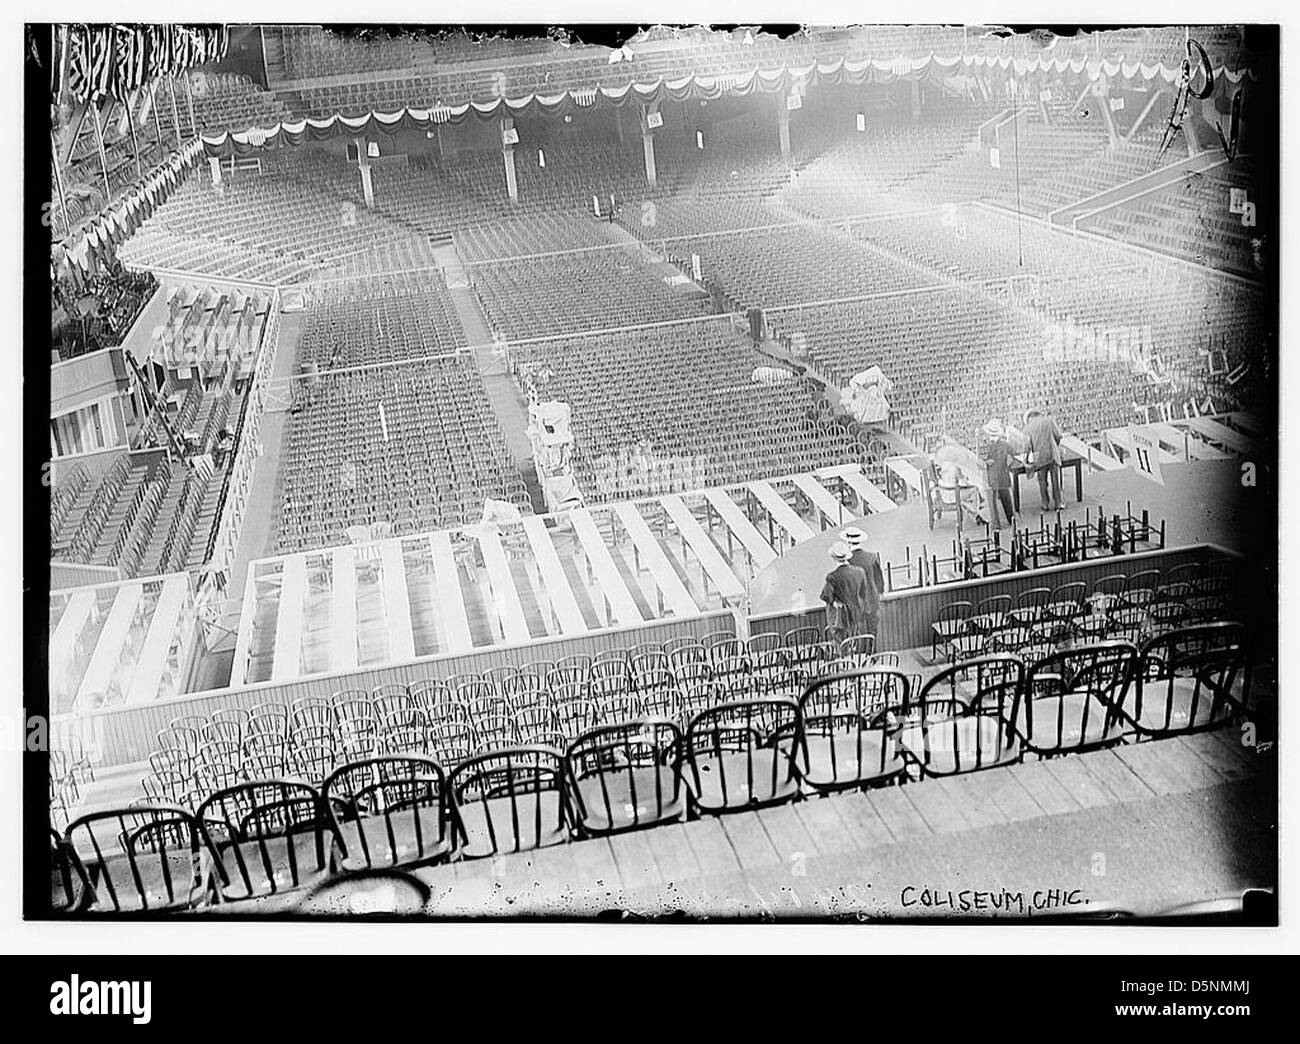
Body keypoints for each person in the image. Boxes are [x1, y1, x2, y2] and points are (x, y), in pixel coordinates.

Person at [841, 526, 885, 641]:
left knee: (859, 634)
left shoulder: (847, 562)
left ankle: (862, 657)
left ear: (849, 542)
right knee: (872, 631)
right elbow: (879, 580)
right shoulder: (872, 557)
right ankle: (873, 657)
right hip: (872, 600)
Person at [820, 542, 869, 642]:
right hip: (858, 616)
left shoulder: (832, 577)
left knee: (843, 646)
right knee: (858, 646)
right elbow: (864, 593)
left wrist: (834, 602)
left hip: (842, 619)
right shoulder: (860, 571)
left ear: (834, 558)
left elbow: (825, 595)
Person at [1022, 407, 1065, 512]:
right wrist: (1055, 445)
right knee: (1055, 480)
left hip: (1039, 457)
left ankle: (1045, 503)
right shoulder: (1049, 421)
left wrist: (1025, 460)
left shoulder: (1027, 428)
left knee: (1042, 481)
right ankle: (1058, 503)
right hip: (1052, 454)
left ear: (1029, 418)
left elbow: (1026, 446)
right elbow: (1059, 435)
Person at [978, 419, 1016, 528]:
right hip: (1003, 474)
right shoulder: (1005, 444)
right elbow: (1015, 454)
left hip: (992, 476)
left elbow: (984, 460)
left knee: (992, 502)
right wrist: (1008, 465)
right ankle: (1011, 519)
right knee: (1006, 498)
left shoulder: (987, 446)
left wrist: (987, 462)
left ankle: (996, 524)